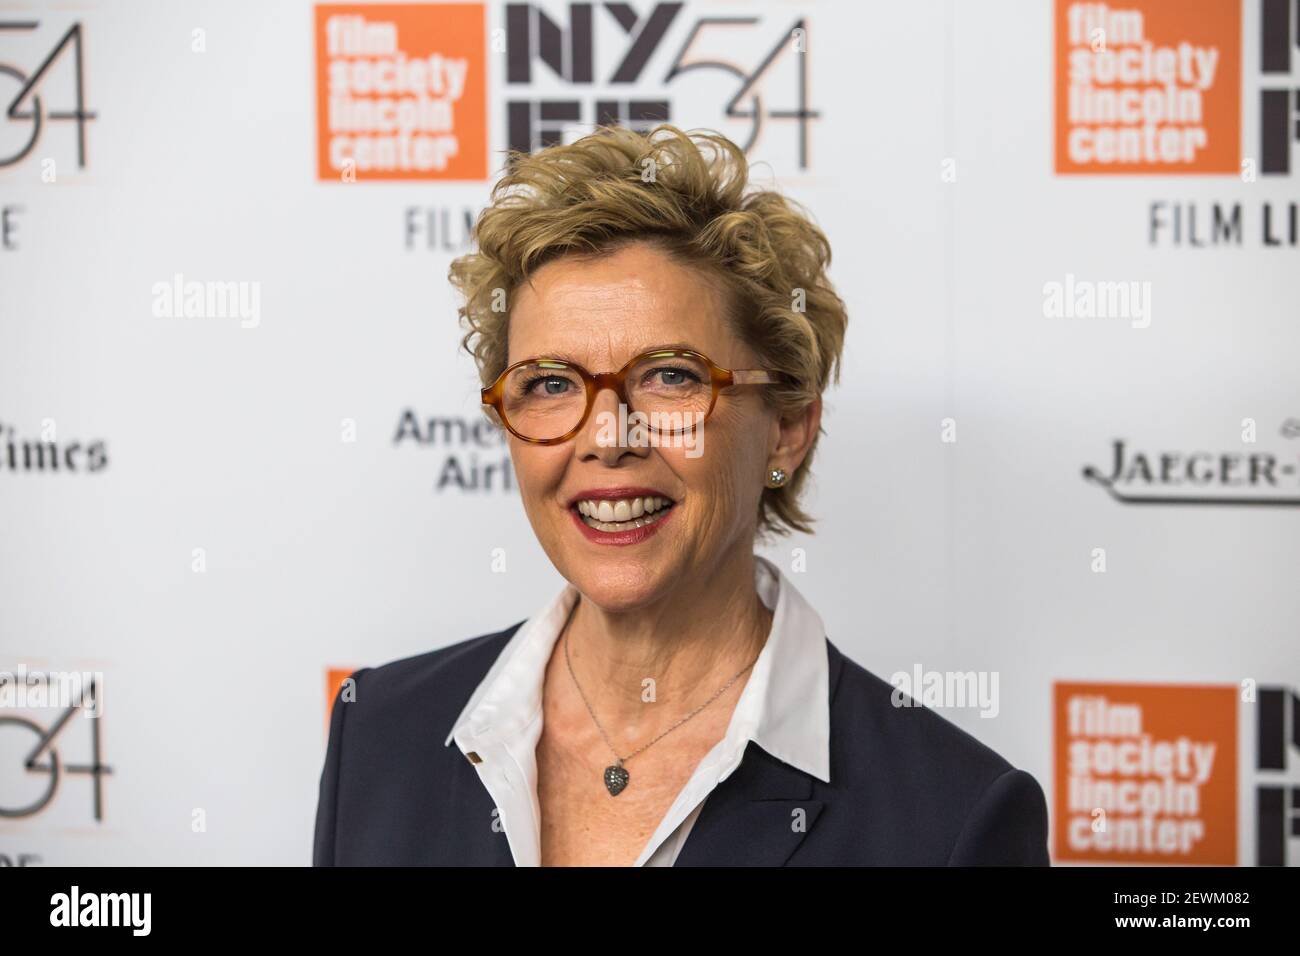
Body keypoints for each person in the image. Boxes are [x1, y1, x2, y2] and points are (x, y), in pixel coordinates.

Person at [312, 123, 1050, 866]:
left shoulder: (952, 821)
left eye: (671, 376)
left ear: (787, 428)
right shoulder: (377, 735)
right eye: (550, 384)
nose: (607, 436)